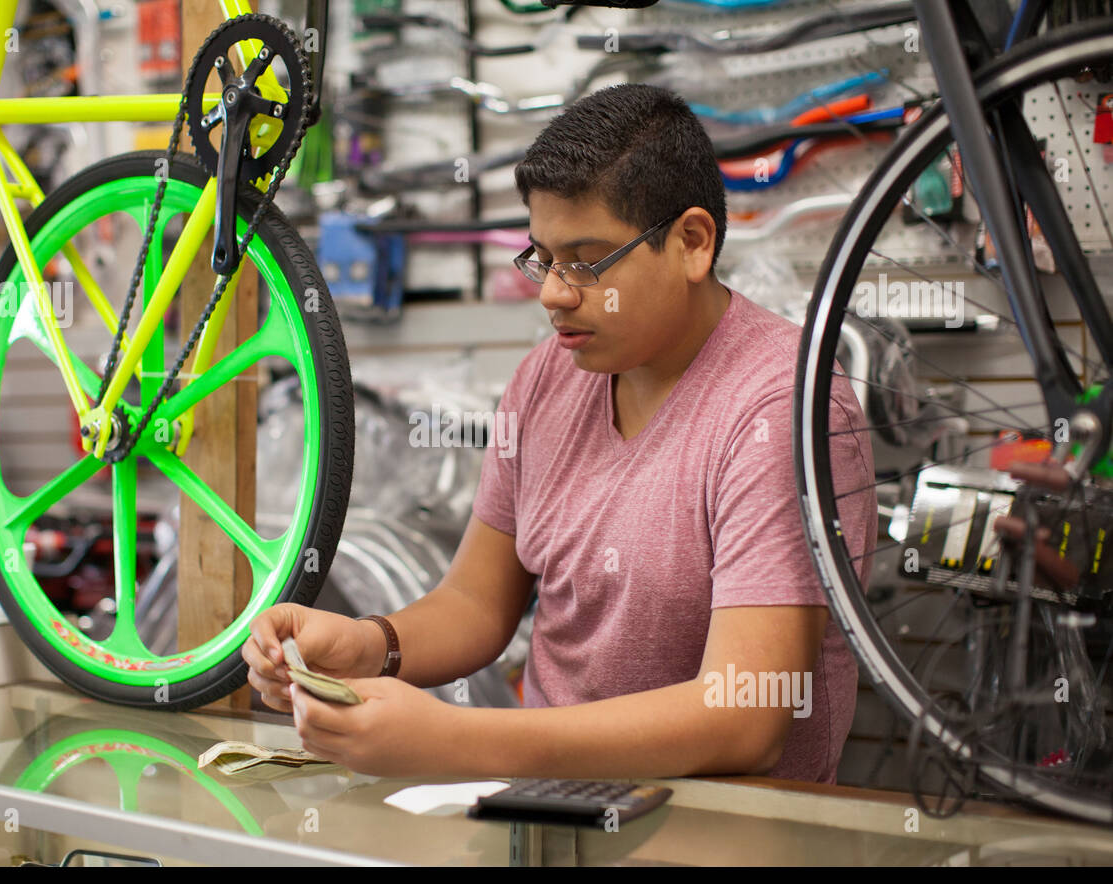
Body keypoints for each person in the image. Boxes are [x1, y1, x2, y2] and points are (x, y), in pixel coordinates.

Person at [245, 82, 877, 784]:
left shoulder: (781, 408)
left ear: (692, 243)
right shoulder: (548, 379)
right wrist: (370, 645)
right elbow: (477, 604)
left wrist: (460, 742)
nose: (553, 292)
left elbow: (745, 717)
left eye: (586, 260)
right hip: (554, 821)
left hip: (730, 841)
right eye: (543, 258)